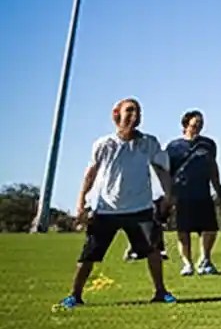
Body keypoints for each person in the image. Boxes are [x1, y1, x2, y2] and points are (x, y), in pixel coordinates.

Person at [58, 98, 177, 308]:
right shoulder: (104, 144)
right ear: (116, 115)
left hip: (140, 208)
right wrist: (81, 203)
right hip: (106, 209)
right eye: (129, 110)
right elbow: (90, 174)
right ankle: (74, 296)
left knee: (153, 250)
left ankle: (161, 292)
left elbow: (161, 170)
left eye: (138, 111)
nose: (134, 115)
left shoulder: (149, 143)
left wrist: (169, 195)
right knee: (89, 254)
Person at [165, 110, 221, 276]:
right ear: (185, 125)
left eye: (200, 123)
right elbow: (167, 172)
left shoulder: (208, 144)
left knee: (210, 228)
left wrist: (218, 191)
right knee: (183, 231)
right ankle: (187, 263)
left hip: (203, 192)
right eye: (194, 123)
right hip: (182, 194)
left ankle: (205, 259)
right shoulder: (173, 147)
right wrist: (168, 195)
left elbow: (213, 169)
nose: (198, 126)